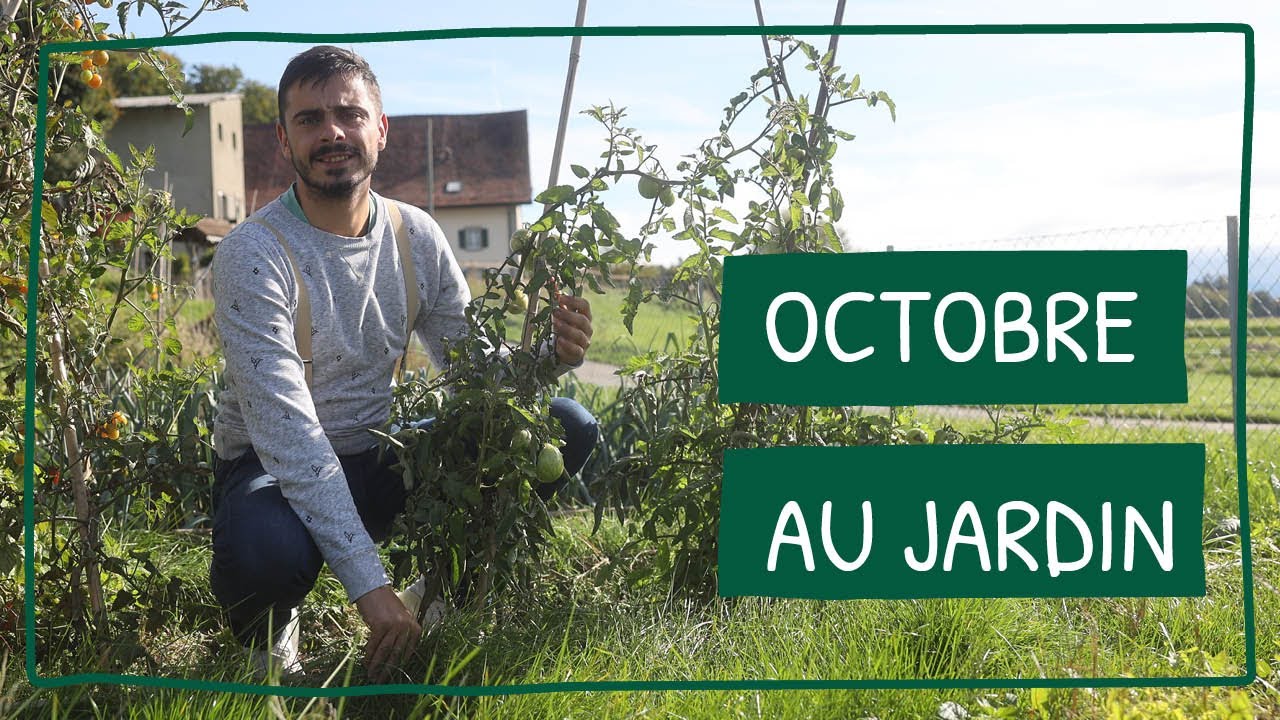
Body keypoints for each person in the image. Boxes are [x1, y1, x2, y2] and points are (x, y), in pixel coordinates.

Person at [208, 45, 598, 682]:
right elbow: (289, 437)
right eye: (309, 120)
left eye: (350, 114)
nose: (333, 132)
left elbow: (474, 371)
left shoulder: (415, 235)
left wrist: (545, 359)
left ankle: (438, 590)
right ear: (283, 138)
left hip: (381, 453)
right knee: (265, 552)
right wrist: (370, 591)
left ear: (381, 130)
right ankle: (269, 634)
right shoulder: (254, 253)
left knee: (565, 425)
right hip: (272, 469)